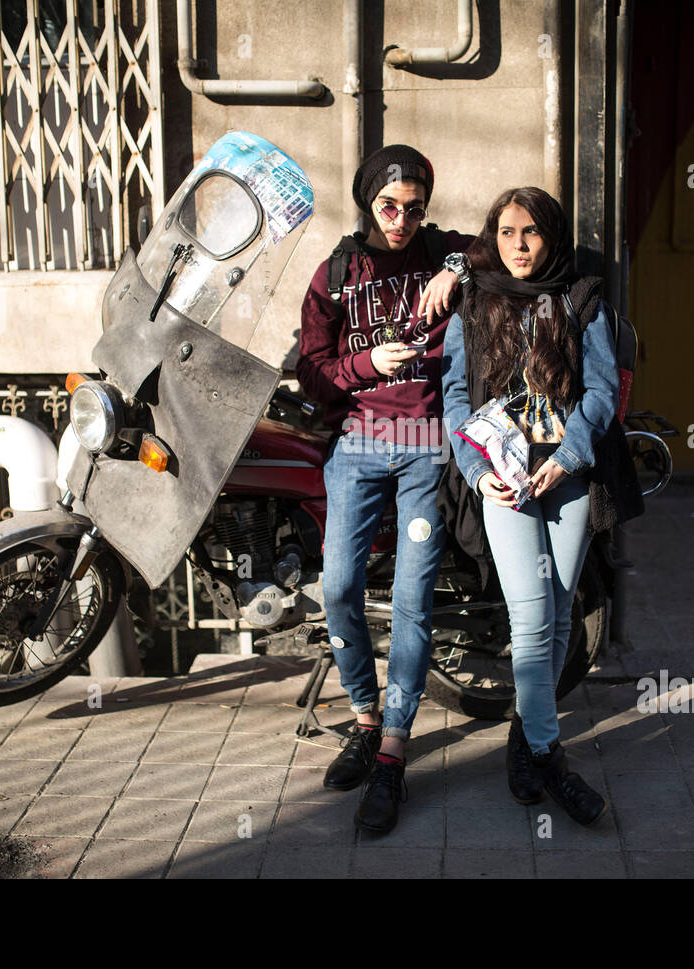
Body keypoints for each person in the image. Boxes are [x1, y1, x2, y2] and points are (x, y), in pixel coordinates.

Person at [441, 186, 642, 826]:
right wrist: (476, 470)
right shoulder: (473, 304)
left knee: (558, 614)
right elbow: (453, 400)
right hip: (505, 480)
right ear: (492, 238)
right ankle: (548, 753)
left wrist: (569, 456)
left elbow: (602, 392)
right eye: (506, 233)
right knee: (532, 619)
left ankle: (524, 743)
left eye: (531, 232)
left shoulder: (582, 303)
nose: (520, 245)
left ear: (551, 237)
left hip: (568, 474)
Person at [295, 145, 472, 834]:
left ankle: (394, 748)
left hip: (426, 448)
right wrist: (367, 362)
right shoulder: (336, 272)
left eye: (416, 208)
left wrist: (453, 267)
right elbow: (311, 370)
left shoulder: (439, 250)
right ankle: (365, 717)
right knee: (337, 586)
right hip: (358, 448)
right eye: (390, 206)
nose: (402, 220)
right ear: (369, 200)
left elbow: (503, 243)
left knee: (410, 598)